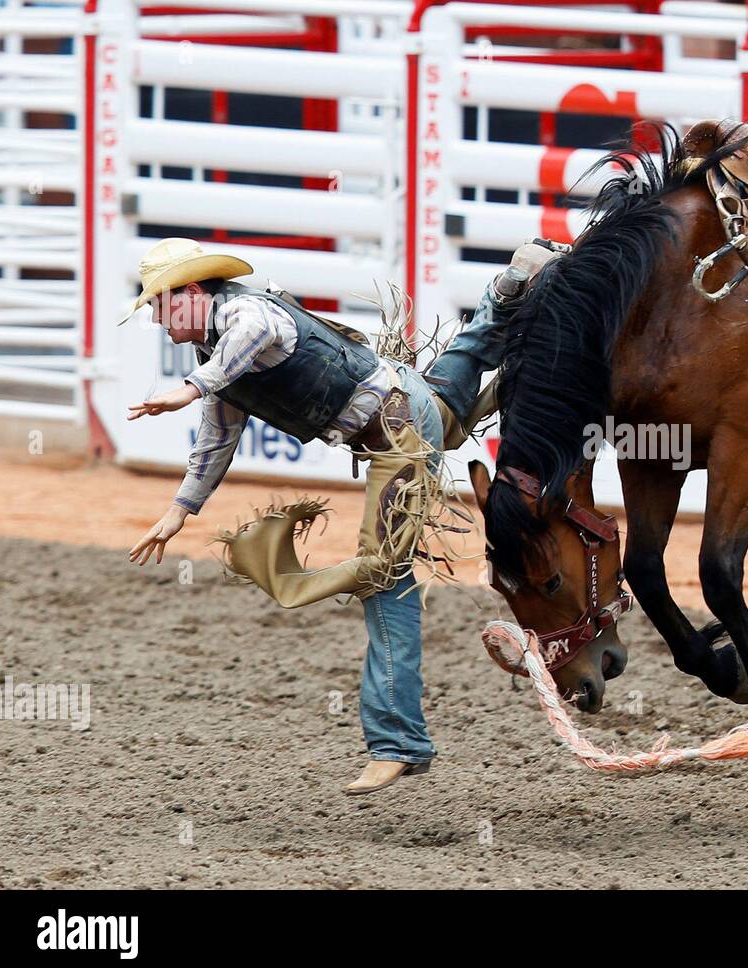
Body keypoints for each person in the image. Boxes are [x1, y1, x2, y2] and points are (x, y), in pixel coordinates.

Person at [124, 236, 560, 793]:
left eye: (160, 305)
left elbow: (252, 334)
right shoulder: (217, 355)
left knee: (384, 577)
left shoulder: (242, 313)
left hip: (396, 429)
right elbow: (217, 439)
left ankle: (396, 742)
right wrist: (179, 511)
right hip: (406, 408)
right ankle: (505, 296)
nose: (158, 320)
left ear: (190, 293)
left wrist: (189, 389)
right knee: (446, 411)